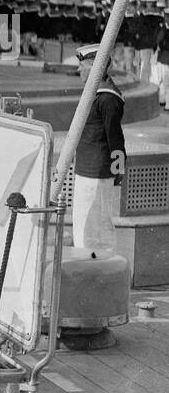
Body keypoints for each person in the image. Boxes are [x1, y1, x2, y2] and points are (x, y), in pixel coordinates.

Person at [72, 43, 125, 254]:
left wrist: (119, 169)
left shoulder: (107, 98)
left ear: (95, 68)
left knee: (96, 228)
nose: (78, 71)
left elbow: (115, 138)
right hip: (85, 170)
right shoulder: (93, 93)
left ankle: (98, 270)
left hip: (97, 173)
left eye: (82, 66)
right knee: (83, 226)